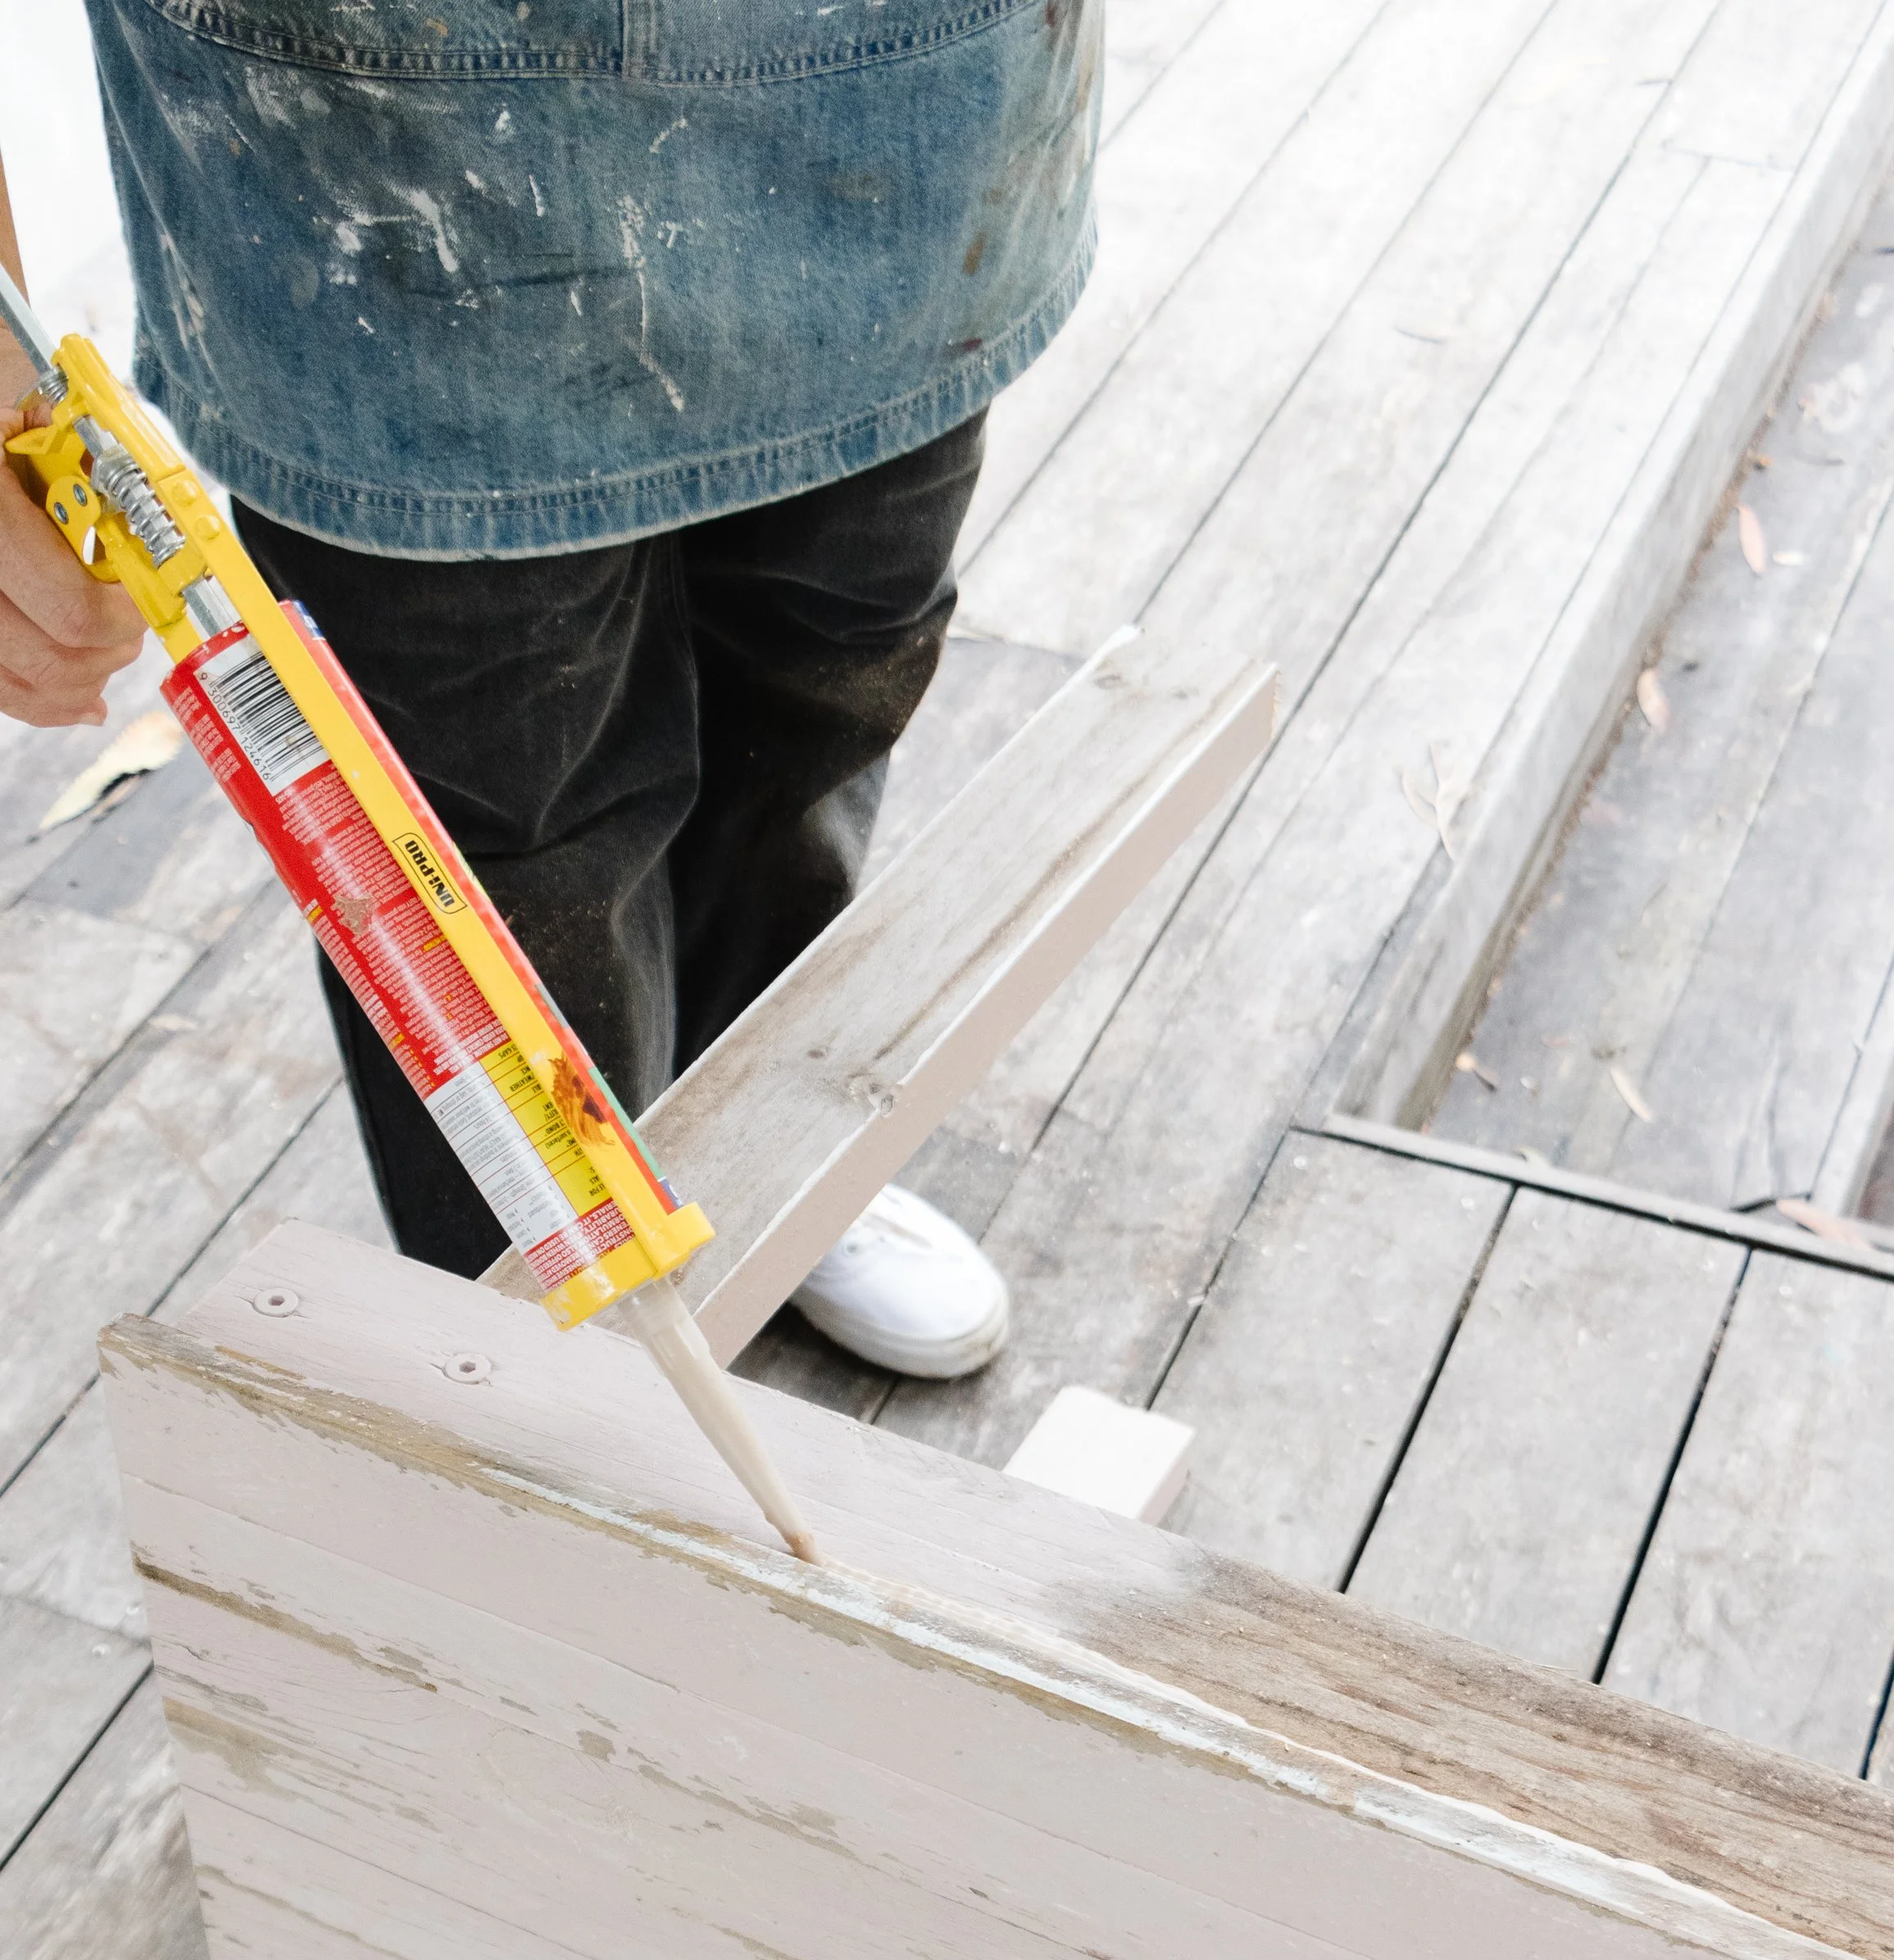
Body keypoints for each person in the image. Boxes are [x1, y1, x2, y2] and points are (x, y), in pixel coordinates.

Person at [0, 1, 1101, 1377]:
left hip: (911, 114)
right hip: (388, 167)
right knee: (489, 874)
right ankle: (553, 1360)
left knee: (822, 693)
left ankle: (767, 1161)